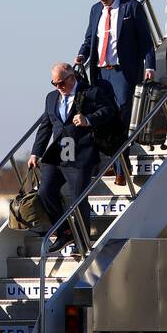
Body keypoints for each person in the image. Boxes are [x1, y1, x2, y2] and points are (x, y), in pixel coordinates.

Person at [28, 63, 118, 248]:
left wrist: (88, 119)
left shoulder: (91, 93)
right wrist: (36, 152)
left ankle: (82, 242)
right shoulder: (51, 98)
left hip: (81, 153)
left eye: (61, 83)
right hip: (58, 154)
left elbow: (109, 111)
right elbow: (46, 126)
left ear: (72, 77)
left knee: (78, 199)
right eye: (54, 83)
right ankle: (65, 232)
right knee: (45, 192)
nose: (58, 87)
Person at [75, 0, 156, 174]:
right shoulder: (95, 10)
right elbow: (89, 39)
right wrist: (81, 54)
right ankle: (113, 162)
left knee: (122, 116)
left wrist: (150, 66)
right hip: (101, 73)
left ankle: (121, 168)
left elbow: (146, 40)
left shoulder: (131, 7)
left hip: (123, 73)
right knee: (105, 117)